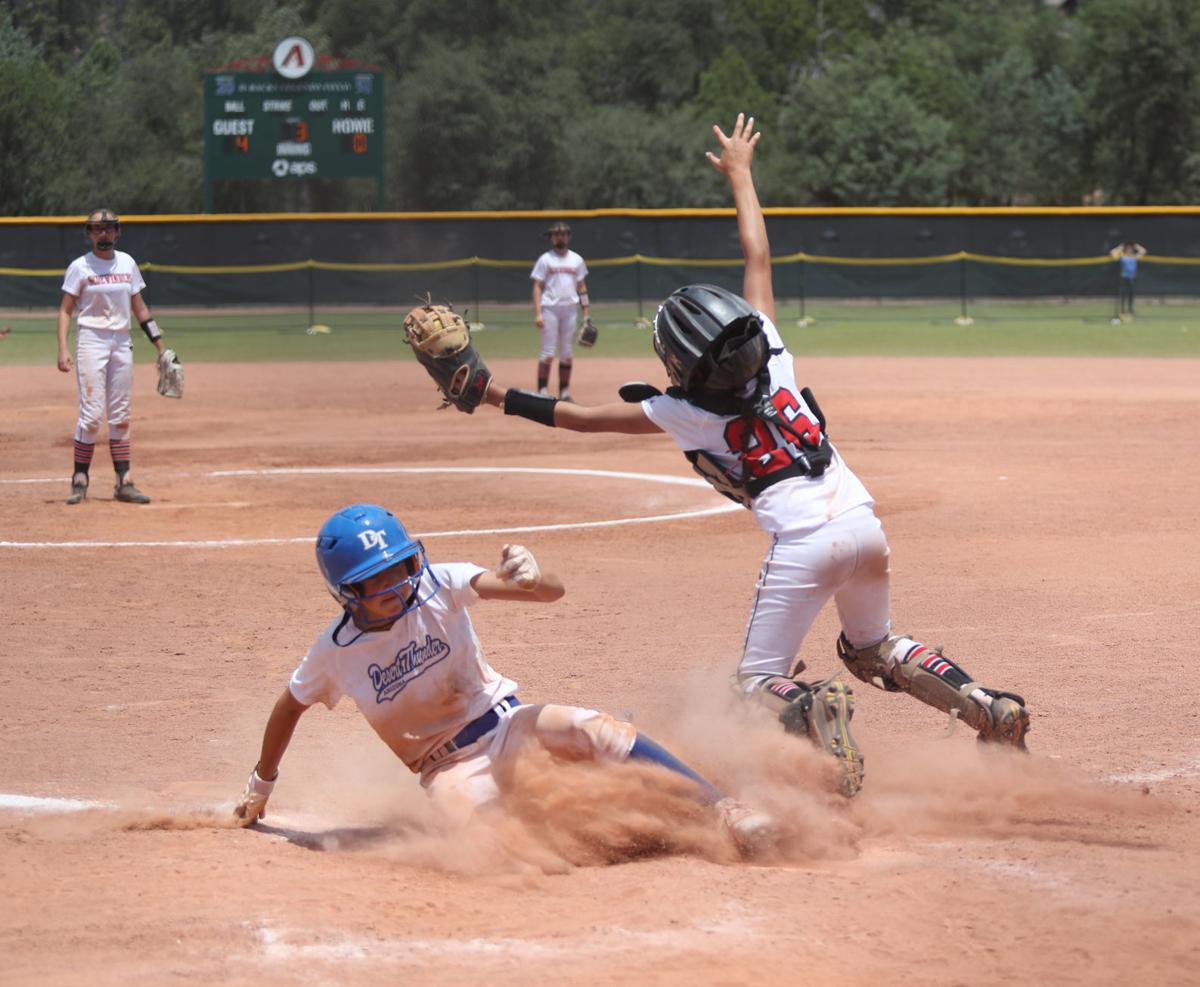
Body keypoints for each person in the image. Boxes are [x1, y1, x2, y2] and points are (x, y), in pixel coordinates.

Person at [465, 115, 1030, 797]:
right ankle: (987, 707)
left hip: (802, 544)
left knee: (755, 683)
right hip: (863, 523)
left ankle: (815, 712)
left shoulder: (684, 411)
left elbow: (578, 417)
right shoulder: (776, 356)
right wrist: (741, 173)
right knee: (873, 647)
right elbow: (757, 257)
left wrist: (491, 393)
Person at [232, 503, 774, 856]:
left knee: (589, 726)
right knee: (494, 847)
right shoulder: (335, 650)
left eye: (400, 567)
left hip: (509, 726)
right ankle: (631, 826)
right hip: (446, 768)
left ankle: (723, 810)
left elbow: (551, 594)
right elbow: (289, 706)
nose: (396, 583)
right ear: (348, 593)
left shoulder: (440, 583)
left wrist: (533, 580)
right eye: (377, 580)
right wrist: (261, 785)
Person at [56, 207, 168, 505]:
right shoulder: (80, 267)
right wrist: (63, 348)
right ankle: (80, 479)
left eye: (109, 228)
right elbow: (65, 310)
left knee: (120, 415)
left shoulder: (127, 263)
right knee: (92, 416)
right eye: (97, 228)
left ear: (117, 232)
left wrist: (160, 346)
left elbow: (140, 308)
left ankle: (124, 482)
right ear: (89, 233)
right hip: (91, 341)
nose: (103, 232)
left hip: (121, 342)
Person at [530, 220, 590, 401]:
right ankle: (542, 392)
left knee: (567, 354)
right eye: (556, 234)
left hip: (570, 310)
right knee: (548, 353)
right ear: (551, 238)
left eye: (563, 234)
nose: (560, 237)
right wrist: (538, 313)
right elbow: (537, 287)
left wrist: (586, 314)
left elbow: (582, 287)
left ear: (569, 237)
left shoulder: (576, 259)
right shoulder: (545, 259)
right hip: (550, 310)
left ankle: (564, 393)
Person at [1109, 240, 1147, 319]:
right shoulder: (1122, 256)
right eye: (1128, 249)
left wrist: (1136, 245)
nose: (1129, 250)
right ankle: (1122, 310)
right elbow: (1112, 253)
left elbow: (1143, 251)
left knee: (1131, 294)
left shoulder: (1134, 256)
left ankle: (1130, 310)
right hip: (1124, 277)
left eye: (1130, 249)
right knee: (1123, 294)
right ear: (1125, 249)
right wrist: (1120, 247)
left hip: (1132, 278)